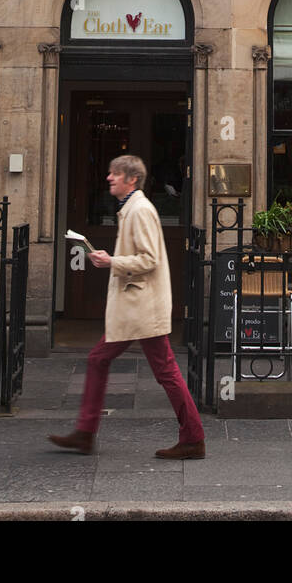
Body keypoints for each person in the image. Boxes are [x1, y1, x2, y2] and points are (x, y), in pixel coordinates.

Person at [49, 154, 205, 459]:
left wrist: (112, 261)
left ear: (131, 180)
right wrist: (112, 259)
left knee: (164, 371)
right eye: (110, 173)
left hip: (140, 308)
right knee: (104, 361)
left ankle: (193, 437)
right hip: (136, 308)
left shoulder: (140, 210)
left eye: (115, 174)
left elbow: (150, 260)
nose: (109, 178)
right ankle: (85, 433)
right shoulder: (131, 208)